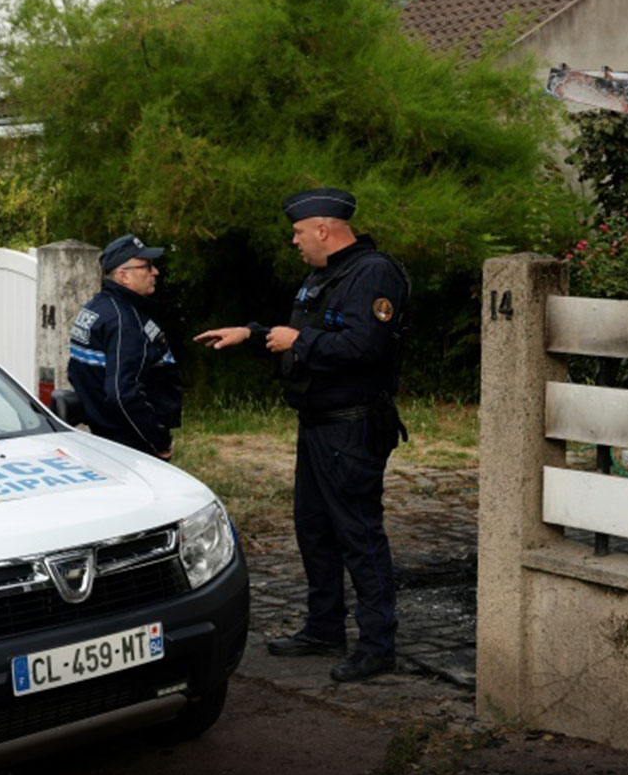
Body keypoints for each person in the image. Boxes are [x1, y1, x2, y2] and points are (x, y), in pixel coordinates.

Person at [194, 188, 410, 682]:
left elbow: (366, 344)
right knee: (314, 531)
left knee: (359, 534)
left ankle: (378, 645)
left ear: (322, 230)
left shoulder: (372, 272)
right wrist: (253, 333)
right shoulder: (325, 275)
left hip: (351, 427)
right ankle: (324, 627)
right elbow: (307, 334)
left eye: (297, 232)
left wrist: (301, 341)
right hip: (317, 426)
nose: (293, 241)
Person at [68, 234, 181, 458]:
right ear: (123, 276)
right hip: (130, 444)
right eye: (147, 266)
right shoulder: (124, 321)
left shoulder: (99, 306)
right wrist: (158, 439)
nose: (155, 272)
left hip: (105, 438)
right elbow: (122, 394)